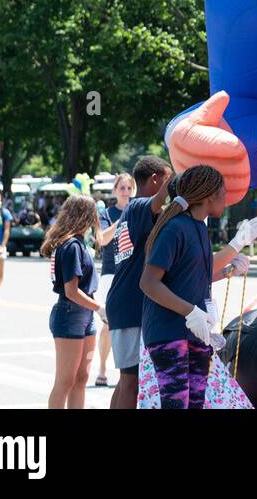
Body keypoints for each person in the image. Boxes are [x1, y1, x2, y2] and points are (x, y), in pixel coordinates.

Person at [139, 165, 257, 409]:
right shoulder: (175, 228)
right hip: (168, 332)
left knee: (195, 404)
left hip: (197, 333)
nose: (227, 199)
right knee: (176, 405)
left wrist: (228, 271)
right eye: (223, 193)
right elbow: (148, 282)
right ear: (208, 195)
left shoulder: (200, 228)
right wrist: (191, 312)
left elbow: (193, 274)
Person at [104, 156, 173, 409]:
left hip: (126, 303)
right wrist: (184, 169)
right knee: (131, 382)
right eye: (167, 180)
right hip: (129, 305)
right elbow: (159, 200)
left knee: (127, 381)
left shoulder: (134, 211)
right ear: (155, 179)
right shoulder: (140, 206)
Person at [43, 194, 102, 409]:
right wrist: (100, 308)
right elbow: (71, 291)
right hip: (71, 313)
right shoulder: (71, 246)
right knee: (65, 381)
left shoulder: (77, 243)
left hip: (83, 315)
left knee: (81, 378)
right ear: (85, 215)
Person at [93, 173, 134, 387]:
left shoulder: (140, 209)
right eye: (122, 188)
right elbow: (102, 239)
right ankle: (101, 368)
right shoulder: (106, 213)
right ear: (115, 190)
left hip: (133, 273)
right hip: (111, 273)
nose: (125, 192)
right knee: (109, 324)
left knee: (131, 326)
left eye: (129, 188)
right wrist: (123, 218)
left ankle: (126, 372)